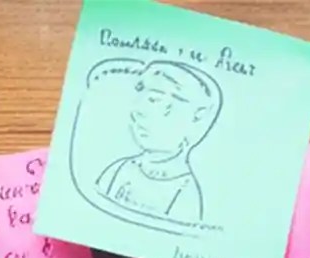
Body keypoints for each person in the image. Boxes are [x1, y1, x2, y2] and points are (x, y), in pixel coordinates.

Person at [95, 60, 222, 223]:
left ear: (197, 116)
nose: (138, 111)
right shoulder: (118, 171)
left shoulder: (184, 192)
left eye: (155, 100)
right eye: (140, 97)